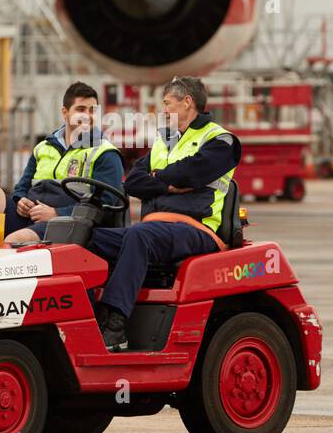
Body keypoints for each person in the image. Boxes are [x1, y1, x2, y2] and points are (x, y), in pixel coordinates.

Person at [89, 76, 240, 350]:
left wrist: (158, 179)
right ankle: (85, 315)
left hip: (197, 229)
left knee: (139, 236)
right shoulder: (164, 141)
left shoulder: (221, 141)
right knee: (88, 238)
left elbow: (193, 173)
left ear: (187, 102)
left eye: (167, 103)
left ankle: (115, 323)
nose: (163, 110)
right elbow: (133, 181)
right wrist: (169, 183)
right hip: (156, 229)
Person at [0, 81, 124, 246]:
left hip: (66, 225)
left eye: (92, 110)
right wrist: (20, 201)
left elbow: (105, 206)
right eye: (80, 109)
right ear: (65, 112)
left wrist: (56, 214)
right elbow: (21, 188)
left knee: (14, 240)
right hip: (29, 215)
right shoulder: (43, 147)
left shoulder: (105, 153)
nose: (87, 116)